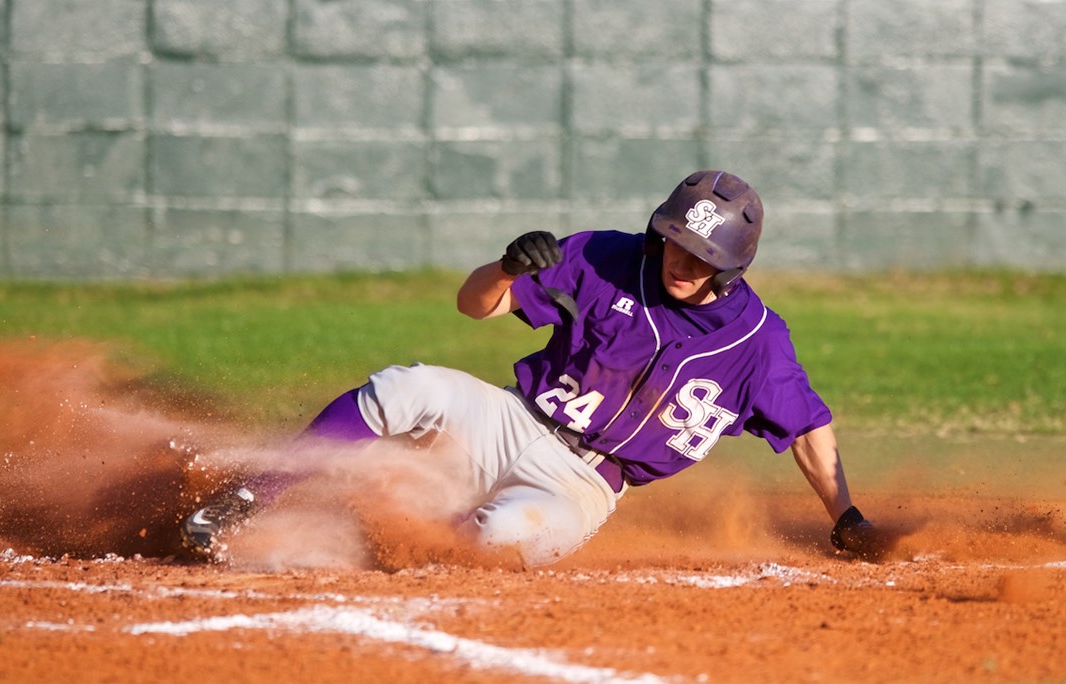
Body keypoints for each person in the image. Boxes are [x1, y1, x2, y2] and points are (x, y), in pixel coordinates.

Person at [180, 170, 886, 567]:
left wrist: (847, 515)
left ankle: (348, 542)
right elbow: (472, 306)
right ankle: (253, 499)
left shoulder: (758, 340)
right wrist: (504, 266)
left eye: (704, 257)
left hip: (585, 482)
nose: (683, 260)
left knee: (496, 542)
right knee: (408, 385)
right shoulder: (607, 259)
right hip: (509, 419)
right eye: (674, 241)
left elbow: (807, 430)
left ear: (732, 270)